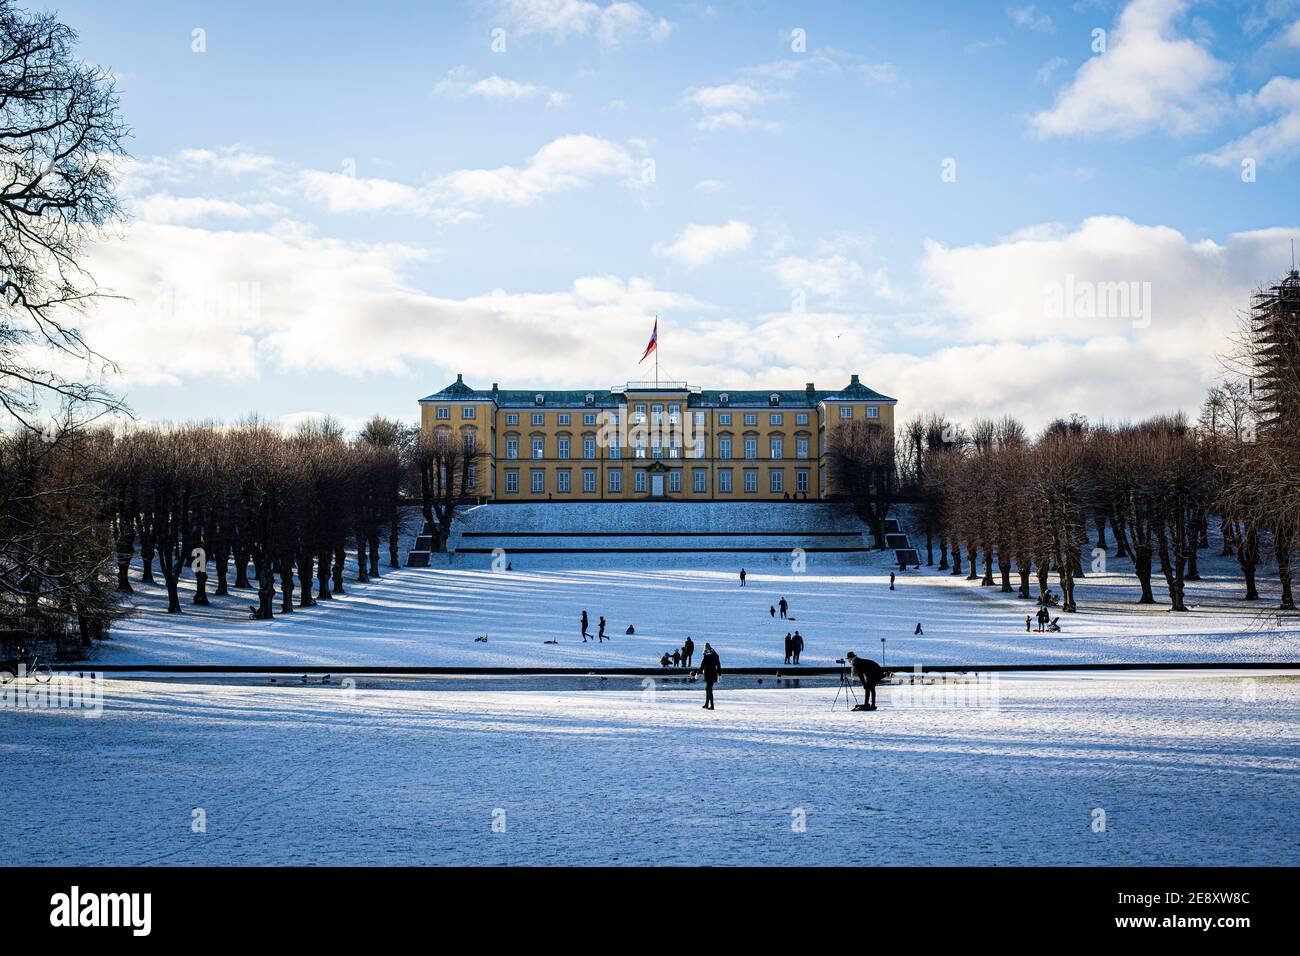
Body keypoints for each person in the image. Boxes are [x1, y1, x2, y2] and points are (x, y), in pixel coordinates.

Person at [699, 643, 722, 709]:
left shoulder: (706, 655)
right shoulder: (715, 654)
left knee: (709, 689)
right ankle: (706, 704)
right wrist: (719, 674)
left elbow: (702, 665)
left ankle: (712, 705)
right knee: (707, 689)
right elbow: (718, 665)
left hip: (709, 674)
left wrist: (698, 673)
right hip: (713, 674)